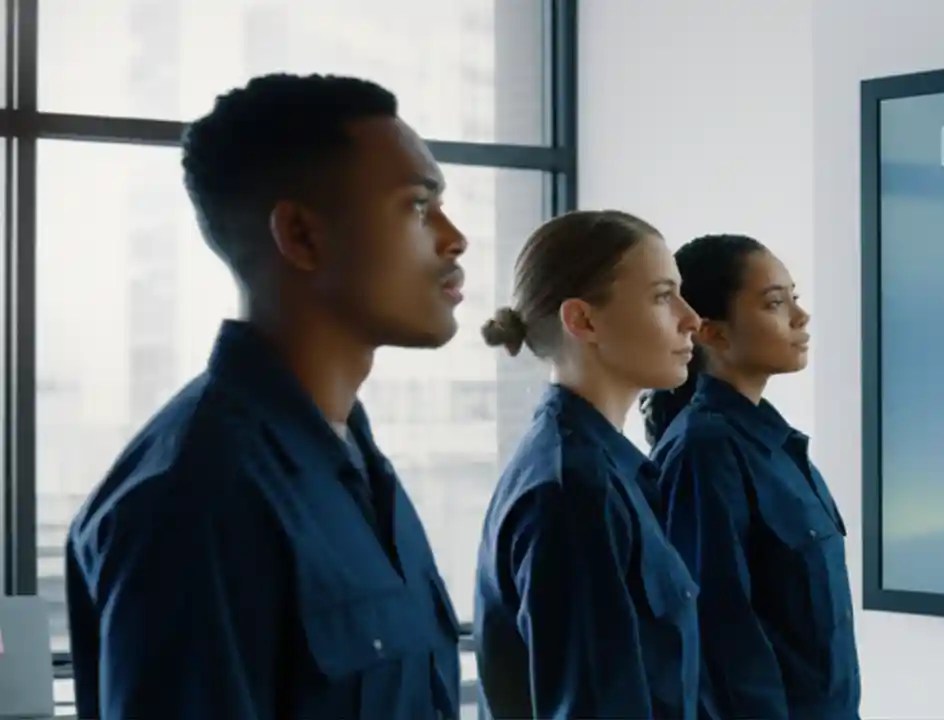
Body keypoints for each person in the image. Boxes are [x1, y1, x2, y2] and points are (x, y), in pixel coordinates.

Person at [64, 74, 468, 720]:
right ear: (301, 236)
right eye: (419, 206)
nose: (454, 238)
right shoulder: (195, 497)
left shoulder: (356, 469)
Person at [473, 210, 703, 719]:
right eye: (662, 296)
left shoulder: (603, 470)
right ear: (582, 320)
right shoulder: (575, 488)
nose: (691, 319)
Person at [642, 234, 861, 720]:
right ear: (712, 332)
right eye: (775, 303)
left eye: (794, 298)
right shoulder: (705, 450)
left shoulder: (777, 444)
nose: (800, 317)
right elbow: (718, 635)